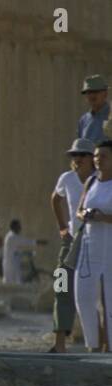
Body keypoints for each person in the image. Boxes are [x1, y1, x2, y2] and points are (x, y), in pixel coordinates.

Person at [51, 138, 96, 353]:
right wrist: (62, 226)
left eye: (81, 156)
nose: (76, 160)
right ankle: (59, 343)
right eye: (74, 156)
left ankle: (99, 344)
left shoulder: (99, 180)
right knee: (61, 284)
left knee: (95, 291)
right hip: (71, 240)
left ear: (91, 158)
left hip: (93, 239)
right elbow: (55, 199)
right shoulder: (67, 178)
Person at [73, 139, 112, 353]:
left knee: (109, 302)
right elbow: (79, 209)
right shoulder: (91, 182)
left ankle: (109, 349)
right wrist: (86, 214)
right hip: (90, 248)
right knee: (84, 296)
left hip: (110, 250)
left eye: (103, 156)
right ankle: (93, 345)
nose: (98, 160)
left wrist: (103, 217)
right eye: (96, 156)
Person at [1, 219, 36, 285]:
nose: (20, 228)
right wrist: (37, 242)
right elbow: (24, 242)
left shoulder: (12, 236)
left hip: (13, 262)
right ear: (14, 227)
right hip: (11, 263)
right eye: (18, 226)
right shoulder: (11, 237)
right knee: (12, 283)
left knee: (15, 282)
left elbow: (16, 248)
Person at [77, 75, 109, 144]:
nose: (92, 95)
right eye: (88, 92)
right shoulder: (84, 120)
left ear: (105, 94)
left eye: (95, 91)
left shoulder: (110, 116)